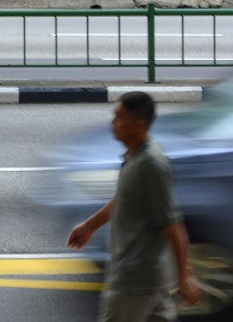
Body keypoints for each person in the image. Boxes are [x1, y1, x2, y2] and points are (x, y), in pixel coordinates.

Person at [67, 91, 201, 320]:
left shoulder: (150, 165)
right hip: (148, 280)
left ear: (138, 125)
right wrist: (90, 226)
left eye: (119, 117)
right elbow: (123, 198)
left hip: (134, 282)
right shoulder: (135, 157)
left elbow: (173, 225)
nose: (112, 123)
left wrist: (184, 277)